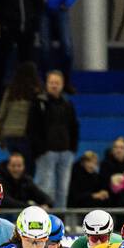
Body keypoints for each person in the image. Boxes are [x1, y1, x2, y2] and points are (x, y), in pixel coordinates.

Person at [32, 70, 78, 209]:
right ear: (46, 84)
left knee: (62, 191)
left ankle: (60, 223)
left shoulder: (67, 104)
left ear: (62, 85)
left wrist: (72, 149)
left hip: (65, 152)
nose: (54, 85)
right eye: (51, 82)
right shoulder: (39, 103)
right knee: (45, 188)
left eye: (57, 83)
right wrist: (40, 150)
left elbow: (74, 126)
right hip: (46, 153)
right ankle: (41, 222)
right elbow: (32, 128)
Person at [0, 60, 40, 158]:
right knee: (27, 167)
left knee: (15, 165)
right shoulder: (36, 92)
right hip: (26, 135)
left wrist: (0, 137)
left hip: (9, 134)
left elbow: (1, 115)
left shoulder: (11, 91)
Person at [39, 0, 81, 77]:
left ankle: (65, 80)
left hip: (61, 9)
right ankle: (46, 80)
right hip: (43, 9)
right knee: (44, 48)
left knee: (67, 46)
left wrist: (67, 2)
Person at [66, 150, 111, 215]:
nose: (91, 165)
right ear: (83, 162)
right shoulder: (75, 175)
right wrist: (93, 196)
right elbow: (75, 196)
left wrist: (103, 193)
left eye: (94, 163)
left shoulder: (95, 176)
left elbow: (100, 189)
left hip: (91, 205)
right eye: (89, 162)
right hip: (76, 206)